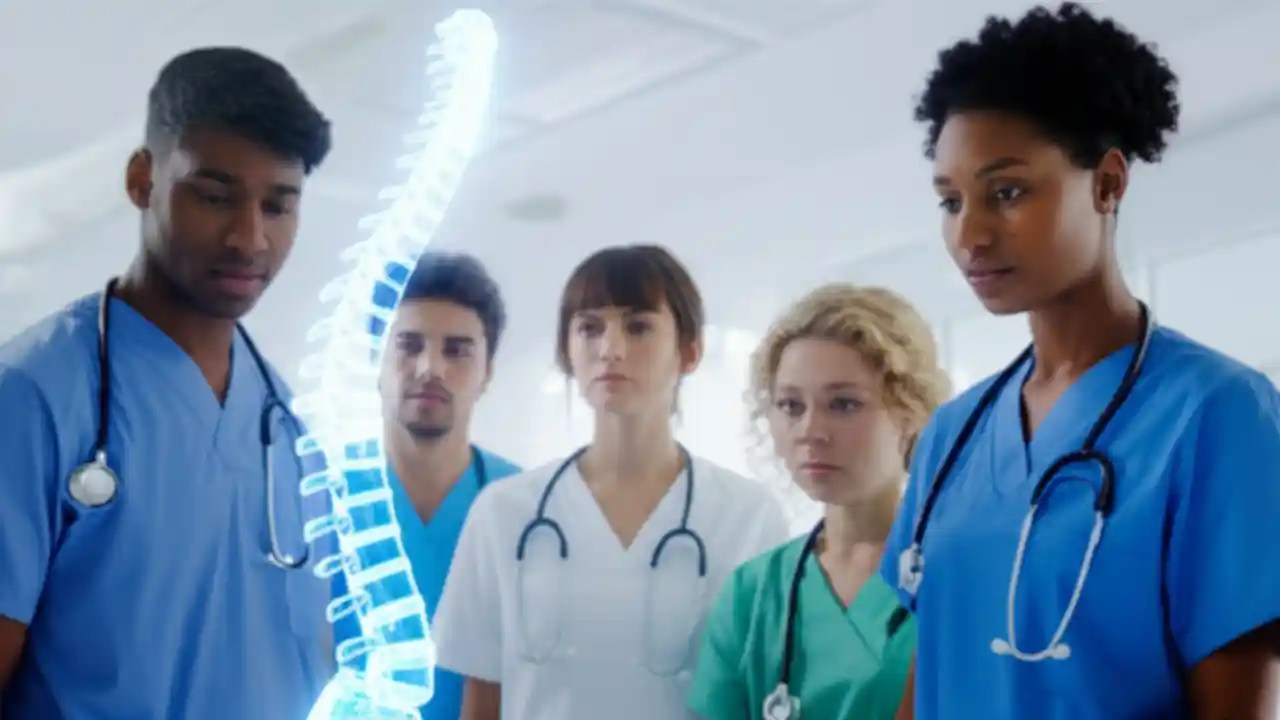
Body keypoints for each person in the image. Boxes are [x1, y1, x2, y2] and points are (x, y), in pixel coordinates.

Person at [880, 4, 1280, 718]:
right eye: (949, 201)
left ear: (1108, 183)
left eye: (1006, 192)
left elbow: (1239, 701)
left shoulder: (1217, 413)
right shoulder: (952, 435)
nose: (969, 234)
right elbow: (930, 670)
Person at [0, 48, 332, 718]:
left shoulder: (289, 430)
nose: (249, 237)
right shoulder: (34, 398)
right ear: (142, 180)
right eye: (215, 197)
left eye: (278, 206)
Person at [431, 244, 791, 719]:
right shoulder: (504, 512)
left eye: (638, 326)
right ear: (567, 352)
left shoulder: (748, 516)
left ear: (690, 351)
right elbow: (481, 702)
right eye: (589, 328)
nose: (610, 348)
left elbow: (761, 693)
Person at [688, 284, 948, 720]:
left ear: (909, 413)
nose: (811, 430)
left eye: (843, 404)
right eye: (791, 405)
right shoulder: (752, 594)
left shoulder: (961, 577)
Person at [331, 251, 521, 719]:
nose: (429, 367)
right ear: (375, 360)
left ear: (488, 372)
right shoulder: (321, 499)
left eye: (457, 350)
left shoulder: (523, 506)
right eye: (408, 345)